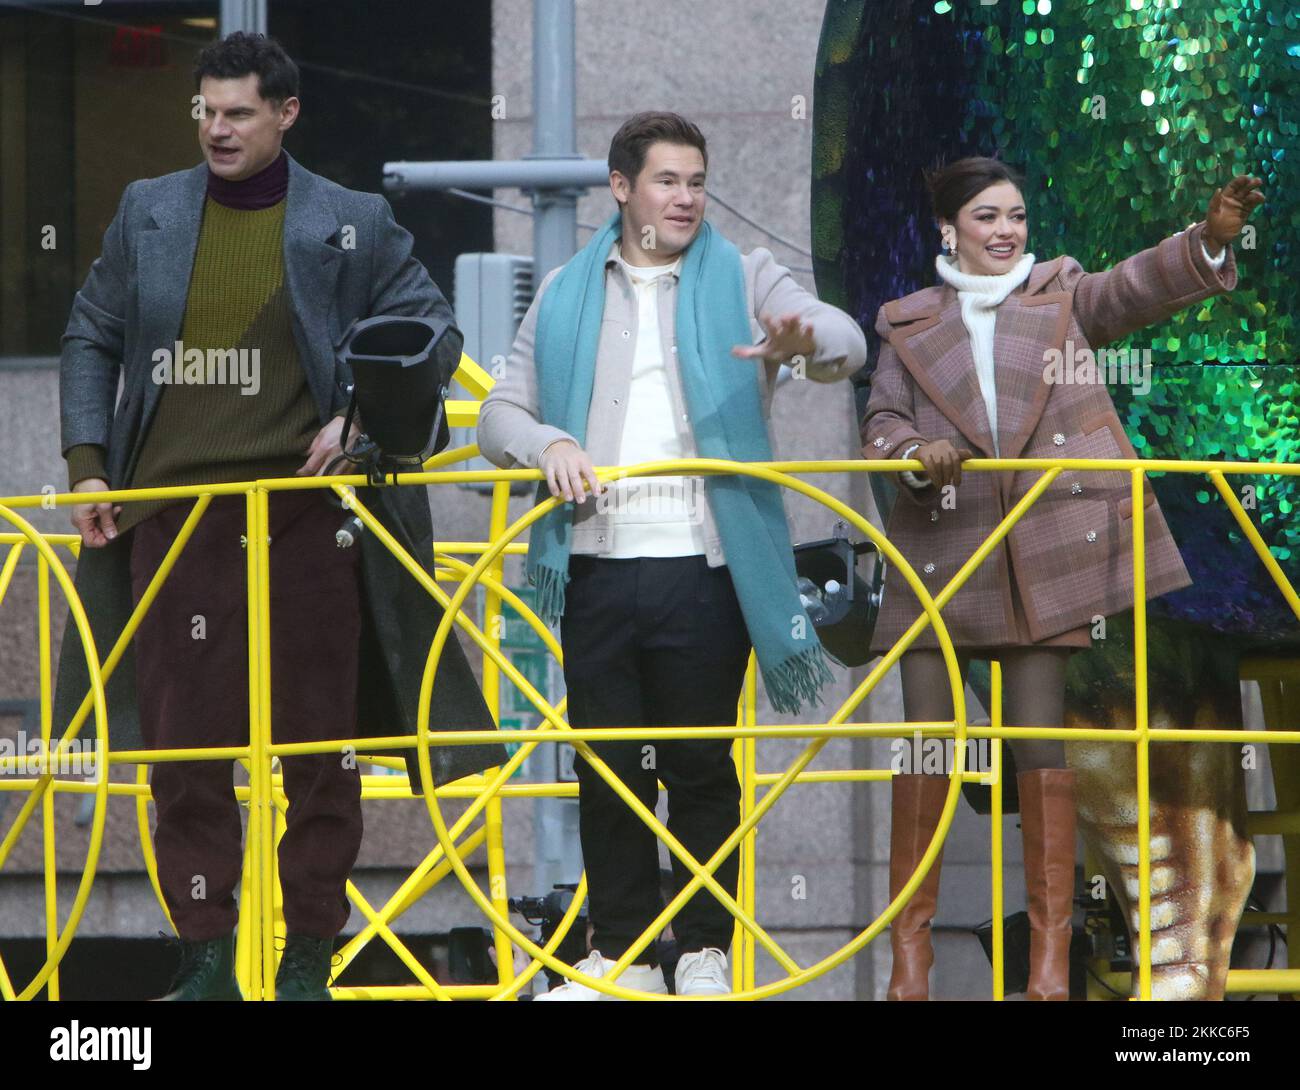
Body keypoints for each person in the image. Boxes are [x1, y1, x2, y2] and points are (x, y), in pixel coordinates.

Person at [56, 32, 500, 1001]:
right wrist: (88, 467)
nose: (216, 130)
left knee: (319, 751)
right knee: (185, 756)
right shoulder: (149, 211)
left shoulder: (351, 219)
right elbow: (91, 331)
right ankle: (208, 956)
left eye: (238, 113)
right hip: (173, 519)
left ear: (286, 114)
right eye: (205, 112)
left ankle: (307, 959)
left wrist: (356, 417)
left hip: (310, 520)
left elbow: (430, 329)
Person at [479, 111, 867, 999]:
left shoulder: (742, 275)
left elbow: (841, 338)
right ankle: (619, 955)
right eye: (667, 180)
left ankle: (702, 951)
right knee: (606, 763)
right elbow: (496, 413)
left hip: (708, 567)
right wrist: (546, 445)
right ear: (621, 189)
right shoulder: (570, 289)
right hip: (598, 561)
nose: (687, 197)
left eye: (697, 181)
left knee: (697, 764)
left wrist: (805, 344)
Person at [862, 156, 1263, 1000]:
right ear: (949, 229)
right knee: (930, 745)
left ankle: (1050, 963)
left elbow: (1131, 289)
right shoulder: (903, 322)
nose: (1006, 231)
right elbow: (883, 420)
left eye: (1015, 216)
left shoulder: (1060, 295)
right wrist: (909, 454)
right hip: (947, 550)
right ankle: (911, 960)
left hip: (1043, 554)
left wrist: (1207, 241)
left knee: (1042, 749)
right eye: (986, 218)